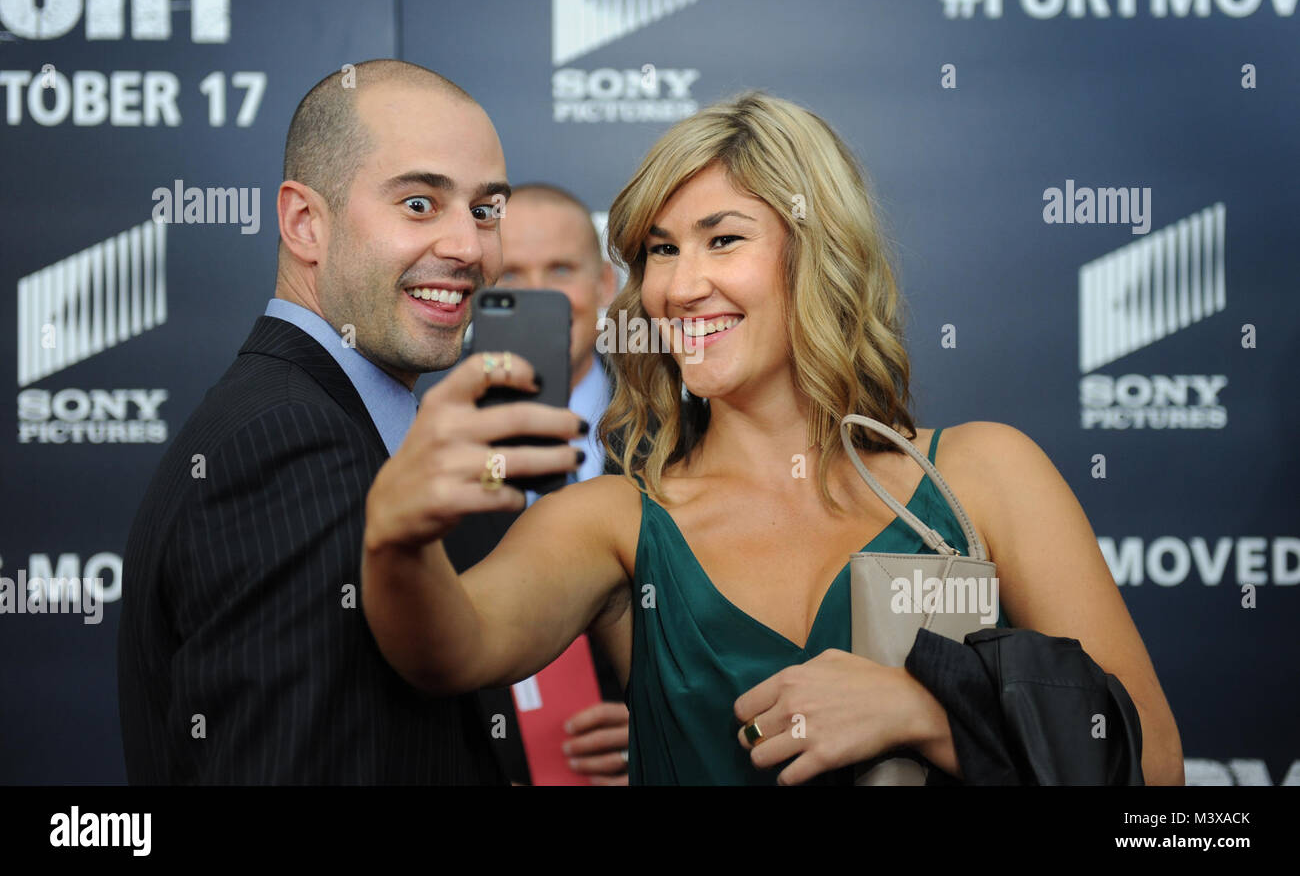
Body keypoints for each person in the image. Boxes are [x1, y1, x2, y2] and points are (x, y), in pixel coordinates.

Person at [360, 91, 1184, 785]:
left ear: (816, 254)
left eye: (723, 239)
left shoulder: (984, 475)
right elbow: (452, 647)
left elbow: (1156, 767)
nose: (682, 287)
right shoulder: (616, 520)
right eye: (659, 250)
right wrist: (398, 534)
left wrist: (926, 715)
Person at [118, 59, 584, 783]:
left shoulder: (331, 427)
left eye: (486, 209)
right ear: (306, 222)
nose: (469, 247)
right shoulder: (291, 449)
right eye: (421, 204)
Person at [442, 182, 627, 784]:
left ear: (605, 286)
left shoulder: (683, 437)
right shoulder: (428, 443)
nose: (541, 295)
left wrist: (664, 729)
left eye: (561, 269)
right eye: (513, 276)